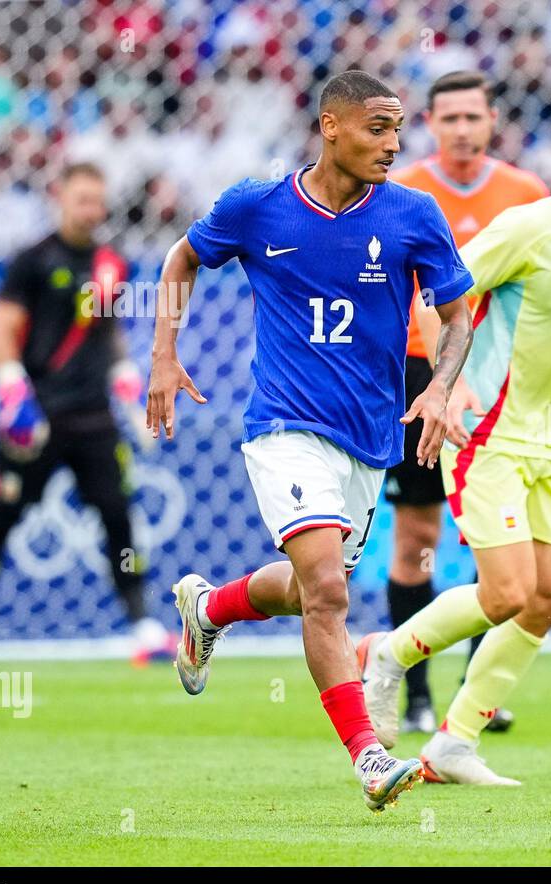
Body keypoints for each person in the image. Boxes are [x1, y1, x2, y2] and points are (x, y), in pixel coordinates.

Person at [145, 71, 475, 814]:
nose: (393, 144)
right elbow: (181, 257)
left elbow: (458, 317)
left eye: (397, 130)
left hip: (368, 439)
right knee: (330, 590)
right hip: (284, 427)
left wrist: (440, 386)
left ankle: (211, 608)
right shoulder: (257, 207)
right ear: (331, 126)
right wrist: (164, 352)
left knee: (307, 591)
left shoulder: (414, 216)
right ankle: (369, 757)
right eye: (376, 128)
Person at [356, 97, 551, 785]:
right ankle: (386, 654)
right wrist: (447, 384)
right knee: (505, 595)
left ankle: (453, 743)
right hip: (489, 429)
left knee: (549, 597)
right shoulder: (530, 228)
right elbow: (435, 294)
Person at [0, 162, 169, 666]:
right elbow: (1, 327)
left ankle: (142, 627)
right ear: (60, 199)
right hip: (36, 417)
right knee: (3, 518)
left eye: (97, 200)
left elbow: (107, 333)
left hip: (93, 419)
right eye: (82, 199)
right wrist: (12, 392)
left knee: (117, 518)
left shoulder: (113, 263)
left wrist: (127, 384)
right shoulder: (33, 260)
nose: (92, 209)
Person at [384, 70, 550, 735]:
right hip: (415, 376)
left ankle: (475, 691)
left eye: (471, 117)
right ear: (429, 122)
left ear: (492, 120)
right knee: (417, 537)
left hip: (496, 380)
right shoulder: (400, 191)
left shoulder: (526, 194)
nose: (460, 129)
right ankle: (415, 693)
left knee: (502, 542)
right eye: (448, 117)